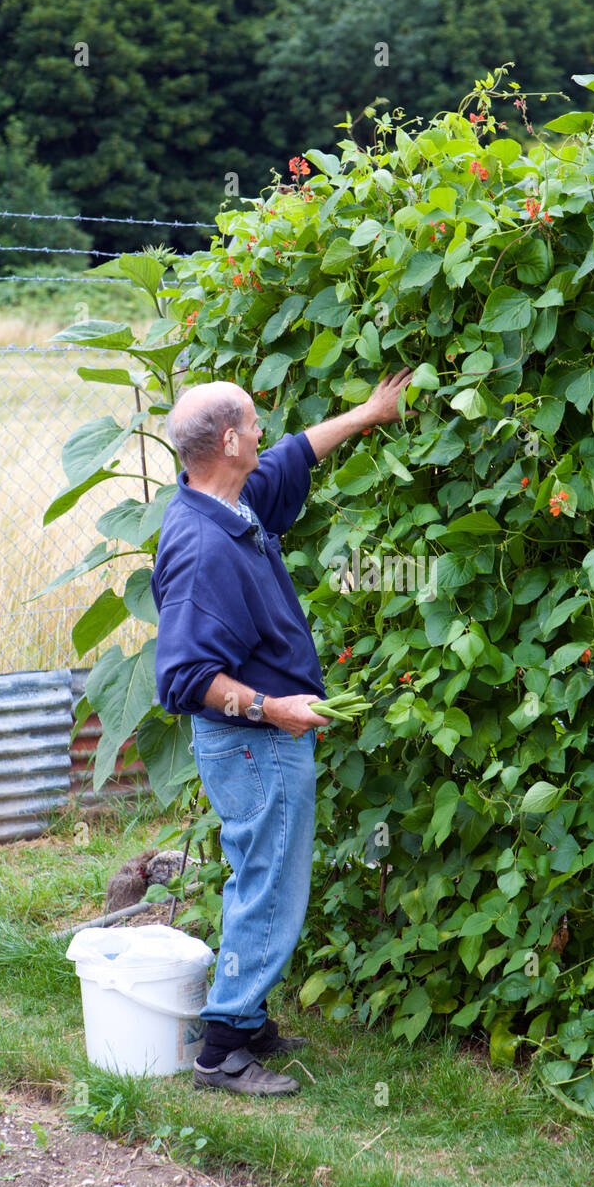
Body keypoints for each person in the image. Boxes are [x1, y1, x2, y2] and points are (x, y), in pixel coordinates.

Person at [151, 370, 413, 1096]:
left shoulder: (230, 505)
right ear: (229, 441)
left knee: (258, 876)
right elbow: (185, 681)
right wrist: (276, 711)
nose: (266, 432)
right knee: (269, 884)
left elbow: (296, 453)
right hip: (252, 745)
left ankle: (247, 1020)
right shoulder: (203, 550)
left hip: (261, 744)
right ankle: (223, 1049)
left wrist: (366, 414)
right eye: (255, 424)